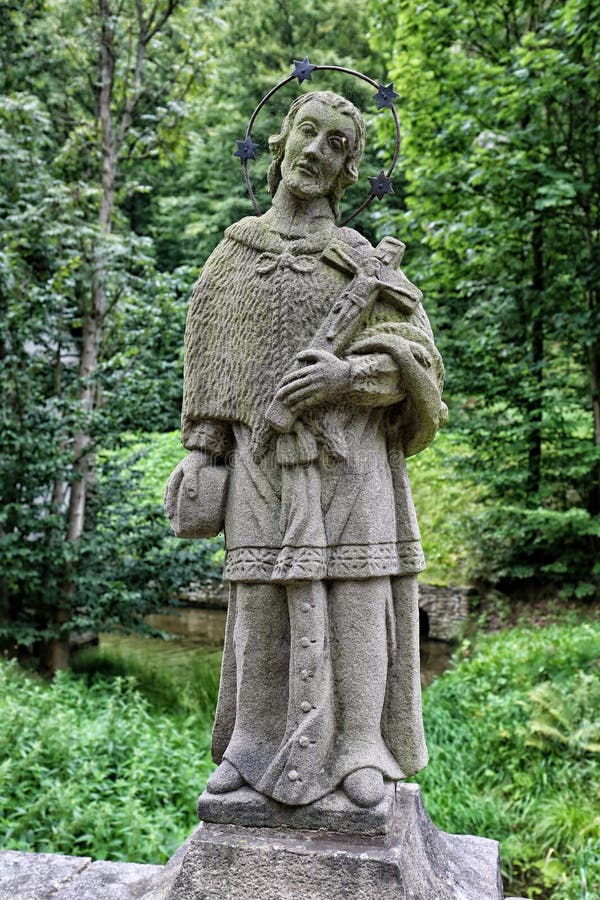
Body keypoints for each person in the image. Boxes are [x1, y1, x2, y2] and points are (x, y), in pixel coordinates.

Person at [165, 91, 446, 810]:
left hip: (349, 462)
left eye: (337, 143)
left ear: (349, 166)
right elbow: (211, 363)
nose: (317, 151)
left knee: (356, 603)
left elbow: (421, 360)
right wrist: (202, 452)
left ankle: (361, 747)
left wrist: (346, 375)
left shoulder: (359, 259)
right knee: (258, 607)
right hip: (261, 461)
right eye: (308, 133)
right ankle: (252, 743)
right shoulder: (233, 253)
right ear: (282, 140)